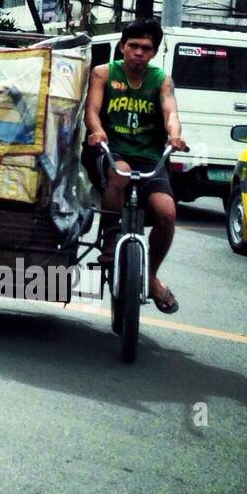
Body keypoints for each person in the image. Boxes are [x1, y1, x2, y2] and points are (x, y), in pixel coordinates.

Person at [83, 17, 188, 313]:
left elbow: (171, 112)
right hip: (108, 149)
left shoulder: (161, 80)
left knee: (167, 213)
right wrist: (97, 130)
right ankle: (108, 237)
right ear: (122, 47)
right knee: (122, 173)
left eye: (146, 48)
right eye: (133, 46)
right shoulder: (103, 73)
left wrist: (175, 135)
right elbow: (92, 110)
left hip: (150, 157)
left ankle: (151, 276)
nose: (139, 52)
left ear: (153, 52)